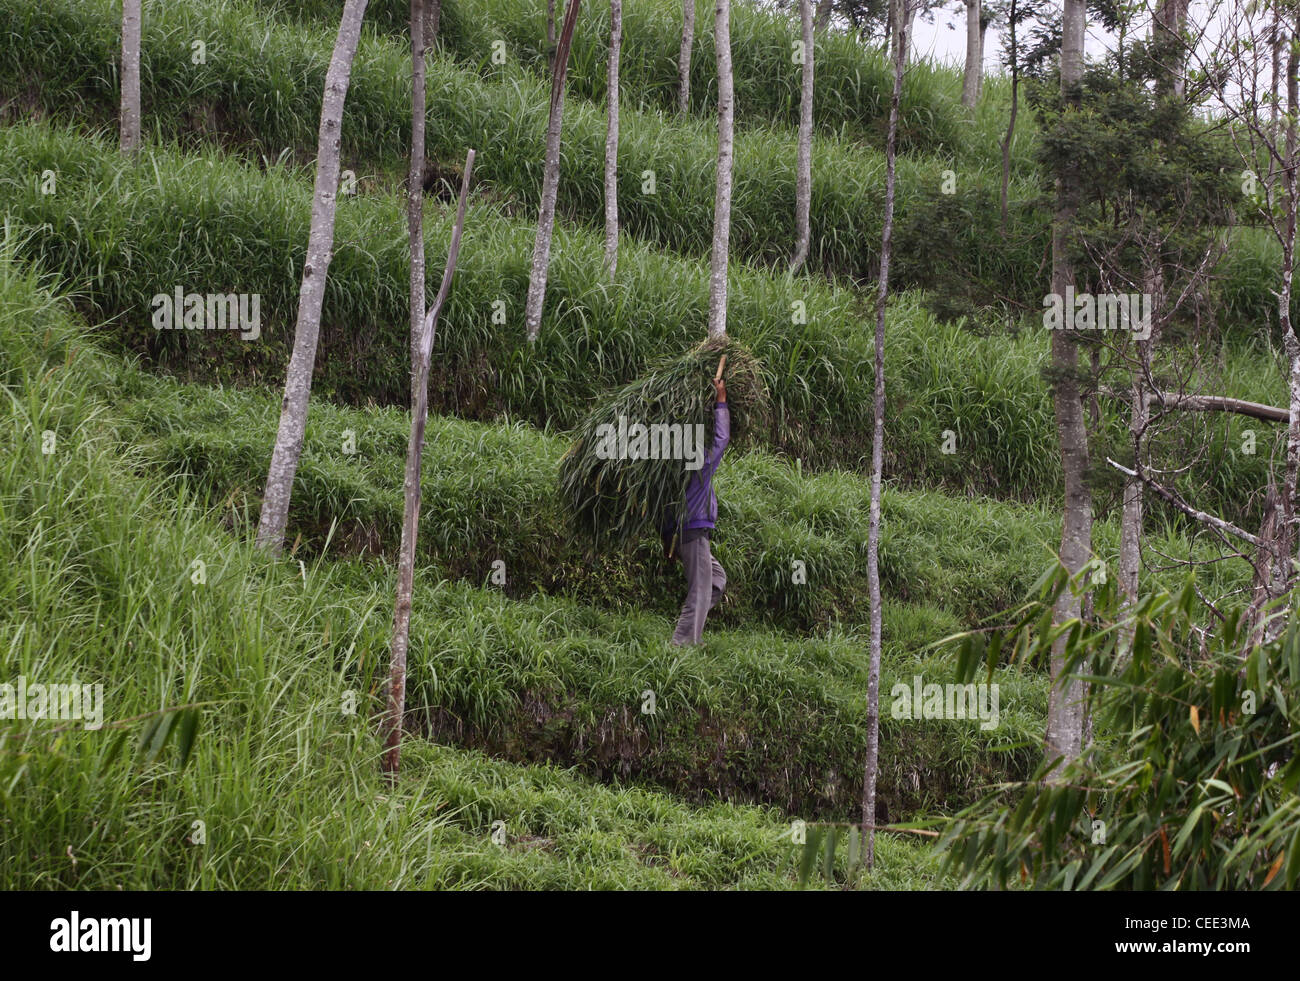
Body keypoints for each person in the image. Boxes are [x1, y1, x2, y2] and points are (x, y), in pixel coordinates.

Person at [661, 372, 729, 646]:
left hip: (677, 531)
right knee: (700, 590)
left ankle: (692, 628)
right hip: (692, 530)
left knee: (716, 580)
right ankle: (682, 645)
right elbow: (721, 440)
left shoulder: (667, 464)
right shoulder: (698, 464)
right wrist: (721, 403)